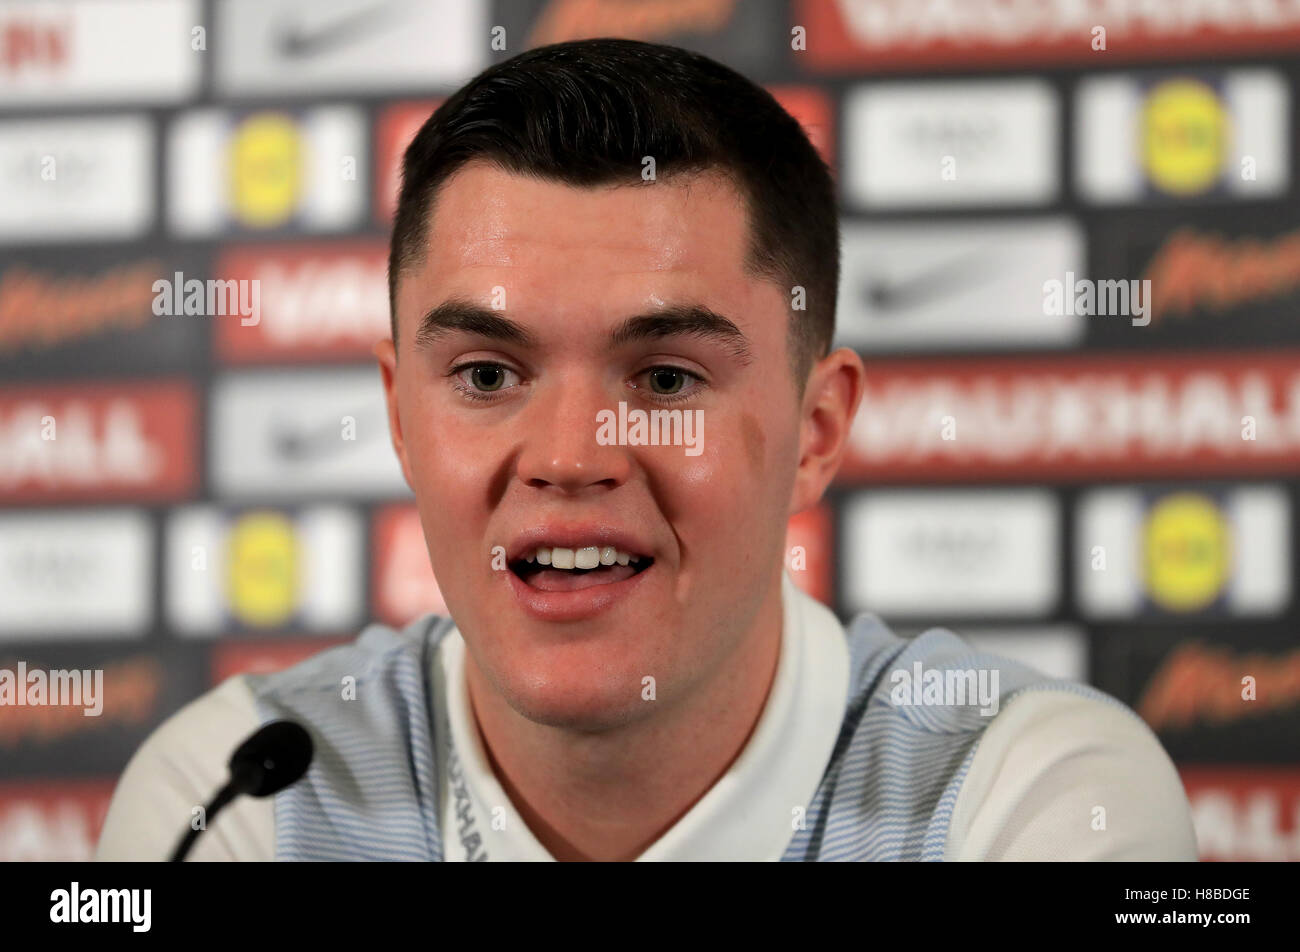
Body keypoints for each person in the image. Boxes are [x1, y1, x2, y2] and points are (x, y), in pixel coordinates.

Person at [97, 38, 1196, 862]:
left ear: (817, 432)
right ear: (399, 414)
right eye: (487, 376)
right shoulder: (237, 798)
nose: (571, 456)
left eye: (665, 378)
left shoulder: (1034, 791)